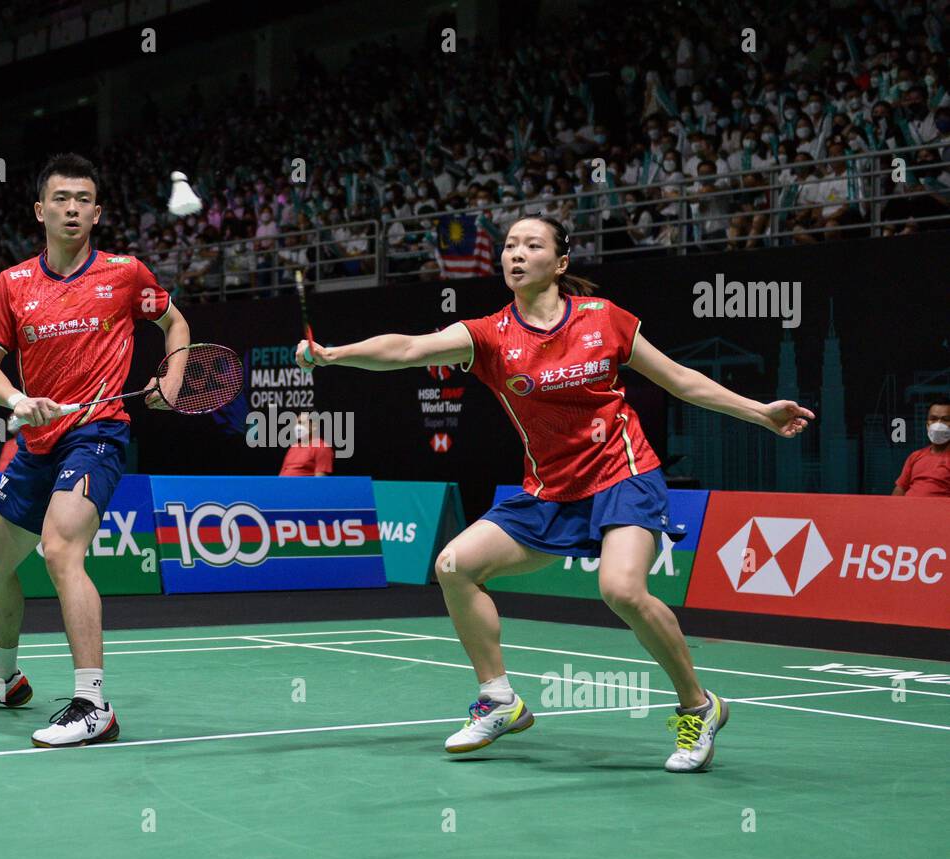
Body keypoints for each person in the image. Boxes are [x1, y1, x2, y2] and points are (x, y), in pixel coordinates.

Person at [295, 214, 814, 772]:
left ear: (560, 263)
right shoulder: (490, 335)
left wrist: (759, 412)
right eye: (510, 245)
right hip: (549, 487)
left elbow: (680, 379)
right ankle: (499, 700)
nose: (515, 254)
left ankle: (699, 704)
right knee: (454, 564)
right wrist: (334, 355)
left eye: (532, 245)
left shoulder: (603, 319)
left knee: (621, 589)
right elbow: (407, 349)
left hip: (623, 471)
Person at [0, 153, 190, 748]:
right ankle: (4, 678)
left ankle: (91, 703)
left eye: (83, 199)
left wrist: (173, 381)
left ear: (97, 211)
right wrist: (17, 399)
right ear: (40, 210)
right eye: (61, 198)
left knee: (60, 549)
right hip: (38, 439)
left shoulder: (126, 274)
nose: (72, 208)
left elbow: (176, 326)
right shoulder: (14, 284)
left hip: (98, 433)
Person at [892, 399, 950, 497]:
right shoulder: (915, 456)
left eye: (945, 419)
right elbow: (900, 488)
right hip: (909, 510)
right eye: (933, 419)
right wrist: (892, 509)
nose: (938, 424)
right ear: (927, 425)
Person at [278, 410, 334, 476]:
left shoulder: (322, 448)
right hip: (284, 486)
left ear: (314, 426)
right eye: (296, 424)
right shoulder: (293, 448)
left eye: (301, 423)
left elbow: (319, 482)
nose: (297, 427)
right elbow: (281, 476)